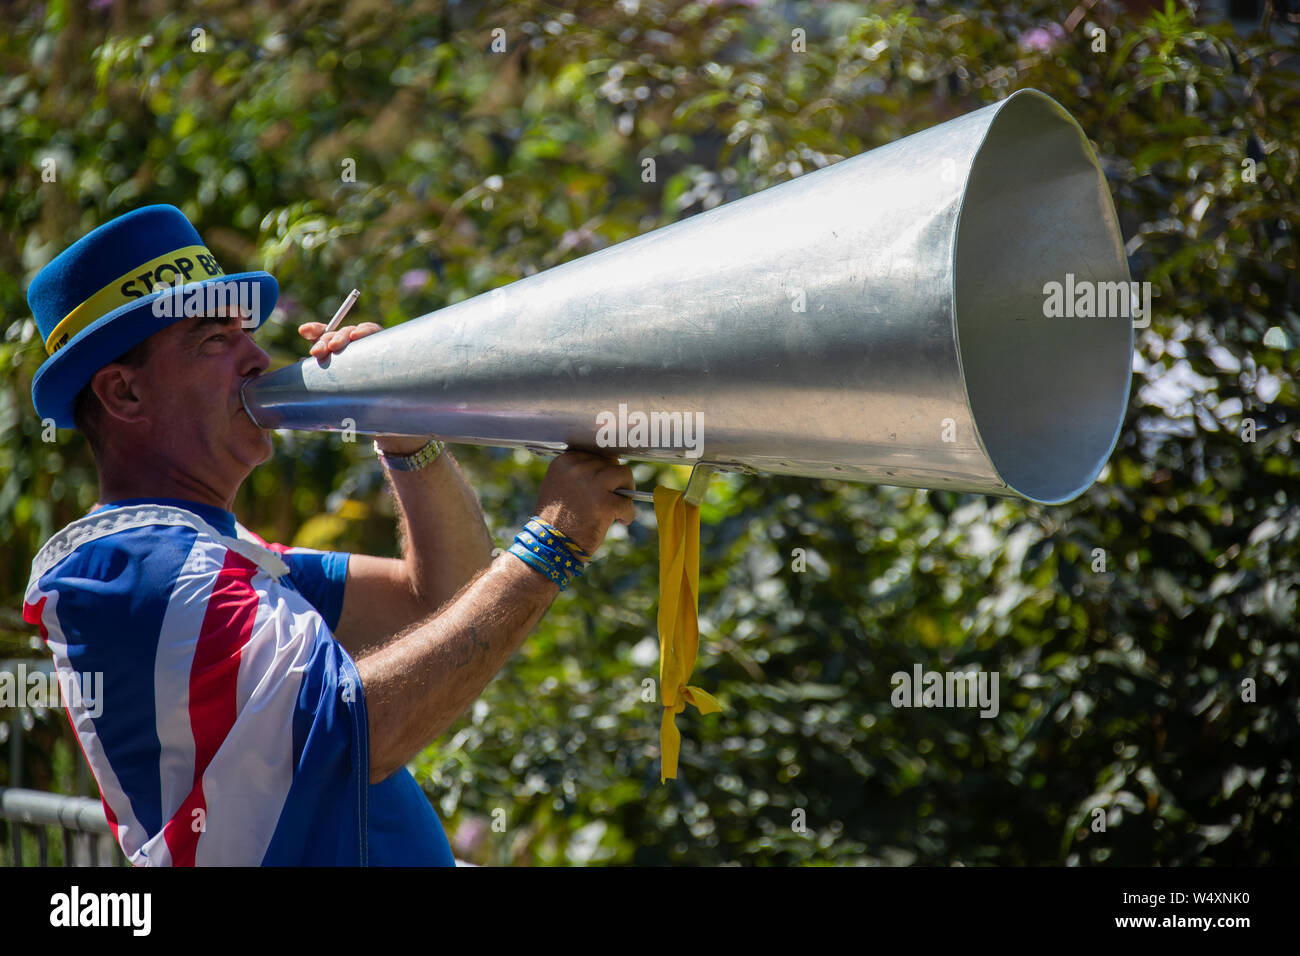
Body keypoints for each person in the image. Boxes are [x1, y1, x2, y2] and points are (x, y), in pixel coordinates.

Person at [20, 204, 635, 865]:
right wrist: (551, 543)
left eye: (245, 333)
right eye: (213, 341)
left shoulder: (216, 558)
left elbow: (446, 596)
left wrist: (404, 432)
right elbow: (353, 731)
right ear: (124, 394)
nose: (258, 357)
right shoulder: (136, 567)